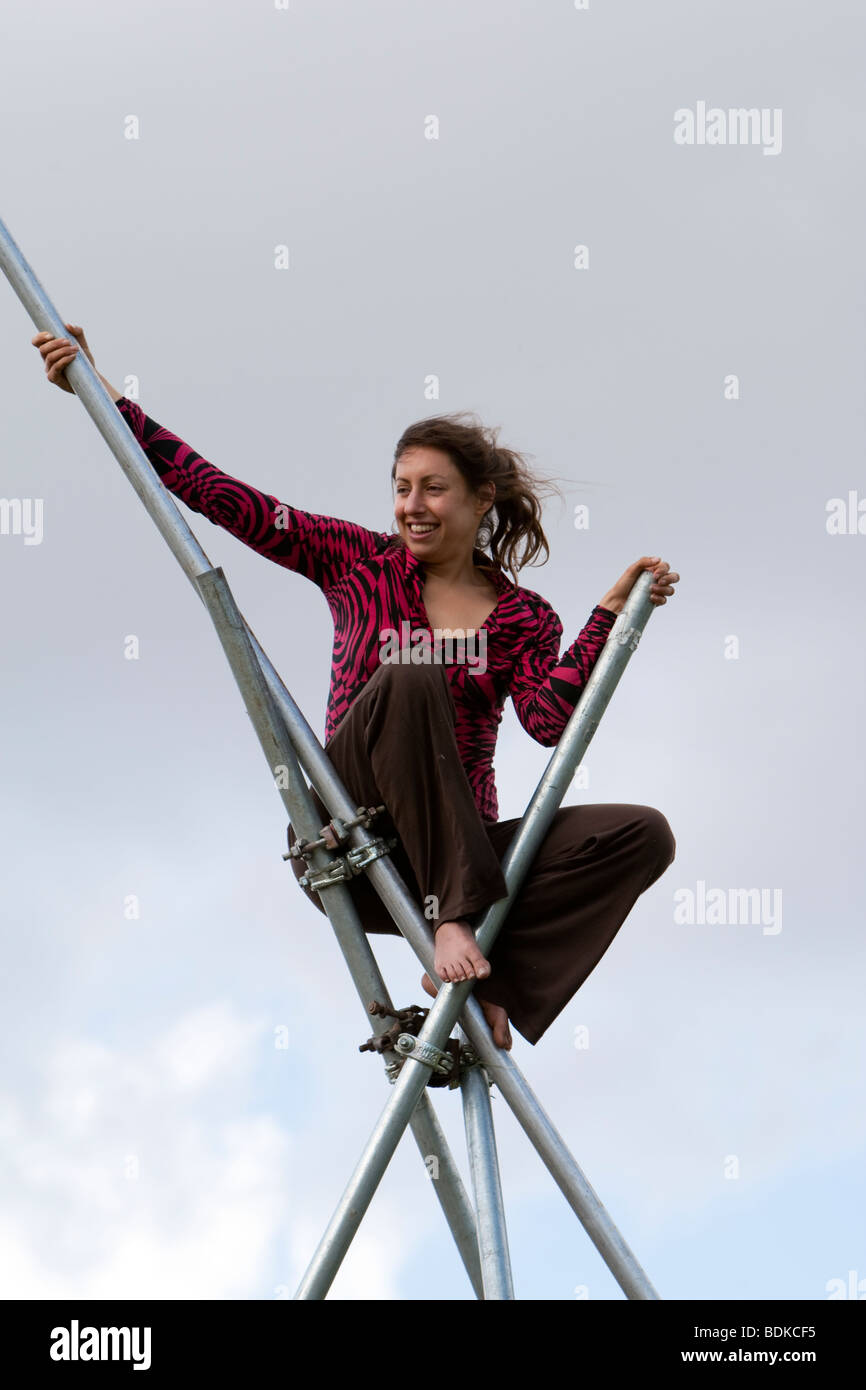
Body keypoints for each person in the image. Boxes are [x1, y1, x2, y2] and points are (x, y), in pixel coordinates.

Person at [33, 324, 680, 1051]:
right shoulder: (358, 561)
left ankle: (500, 979)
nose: (412, 506)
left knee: (641, 834)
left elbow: (548, 722)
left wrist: (605, 621)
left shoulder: (525, 615)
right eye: (402, 489)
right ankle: (451, 919)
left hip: (456, 845)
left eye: (434, 489)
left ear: (480, 500)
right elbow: (224, 498)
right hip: (351, 824)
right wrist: (103, 393)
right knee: (411, 669)